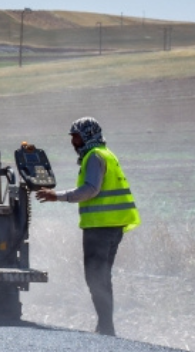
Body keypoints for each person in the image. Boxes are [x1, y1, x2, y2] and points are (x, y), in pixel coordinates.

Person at [36, 117, 140, 336]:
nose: (73, 141)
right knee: (102, 276)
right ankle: (104, 326)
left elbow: (90, 189)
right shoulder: (106, 153)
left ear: (87, 137)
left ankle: (106, 328)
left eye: (76, 136)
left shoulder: (94, 157)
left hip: (100, 227)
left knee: (95, 277)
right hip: (113, 226)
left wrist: (57, 196)